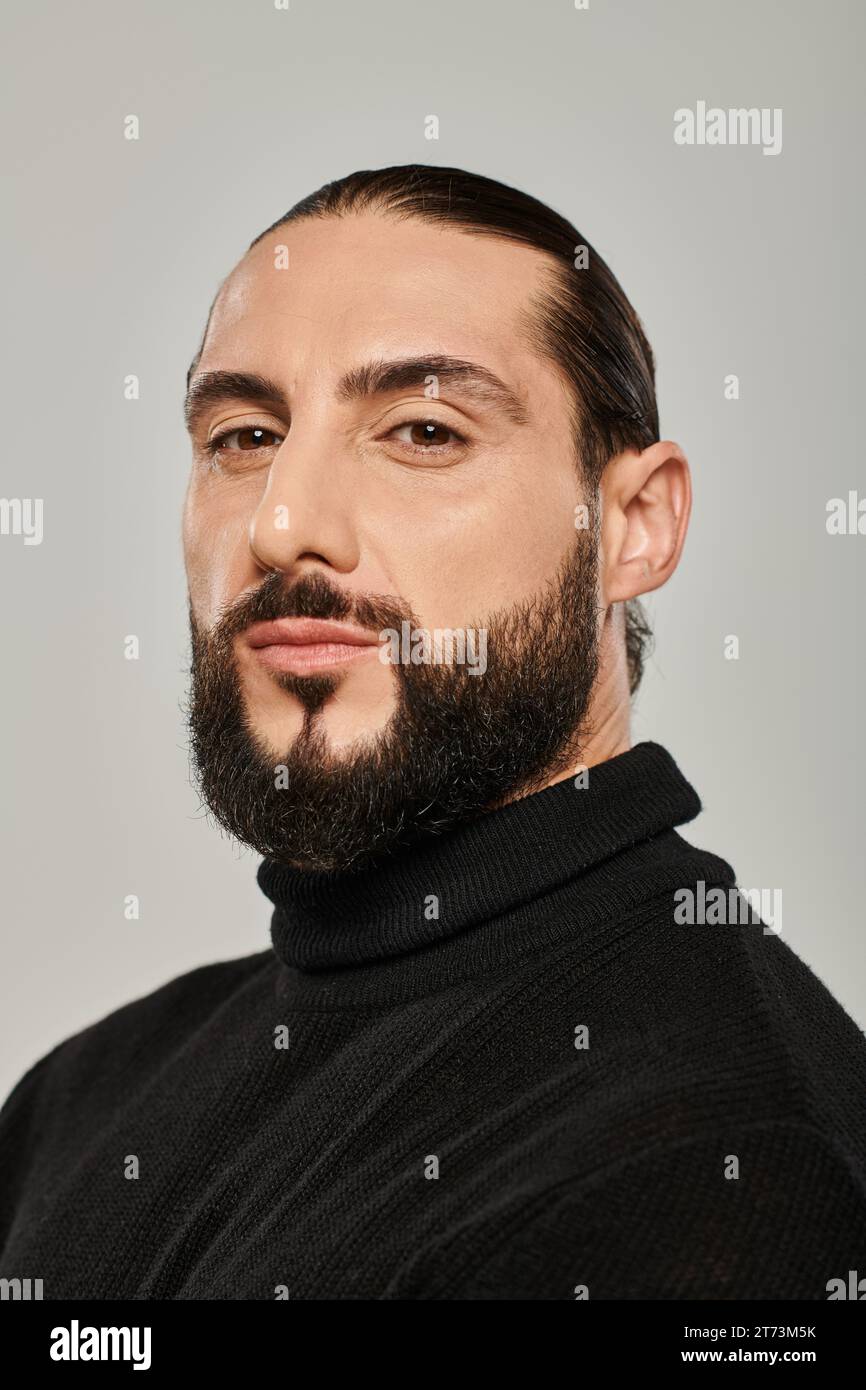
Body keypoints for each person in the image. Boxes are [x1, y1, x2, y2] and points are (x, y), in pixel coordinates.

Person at [2, 165, 865, 1300]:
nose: (283, 522)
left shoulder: (724, 1160)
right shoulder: (80, 1101)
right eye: (245, 434)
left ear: (632, 526)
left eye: (421, 429)